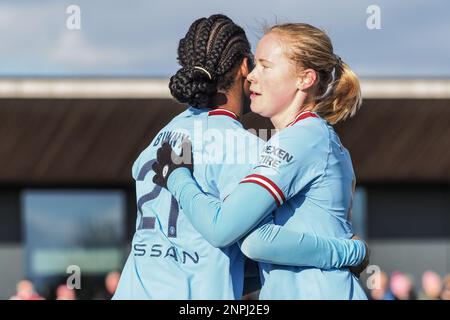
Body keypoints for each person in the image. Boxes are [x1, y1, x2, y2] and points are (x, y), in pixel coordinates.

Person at [114, 15, 367, 300]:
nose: (253, 76)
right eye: (255, 64)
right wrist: (351, 251)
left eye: (266, 66)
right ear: (242, 65)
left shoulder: (164, 135)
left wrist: (178, 176)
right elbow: (241, 246)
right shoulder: (253, 143)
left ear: (305, 79)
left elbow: (241, 239)